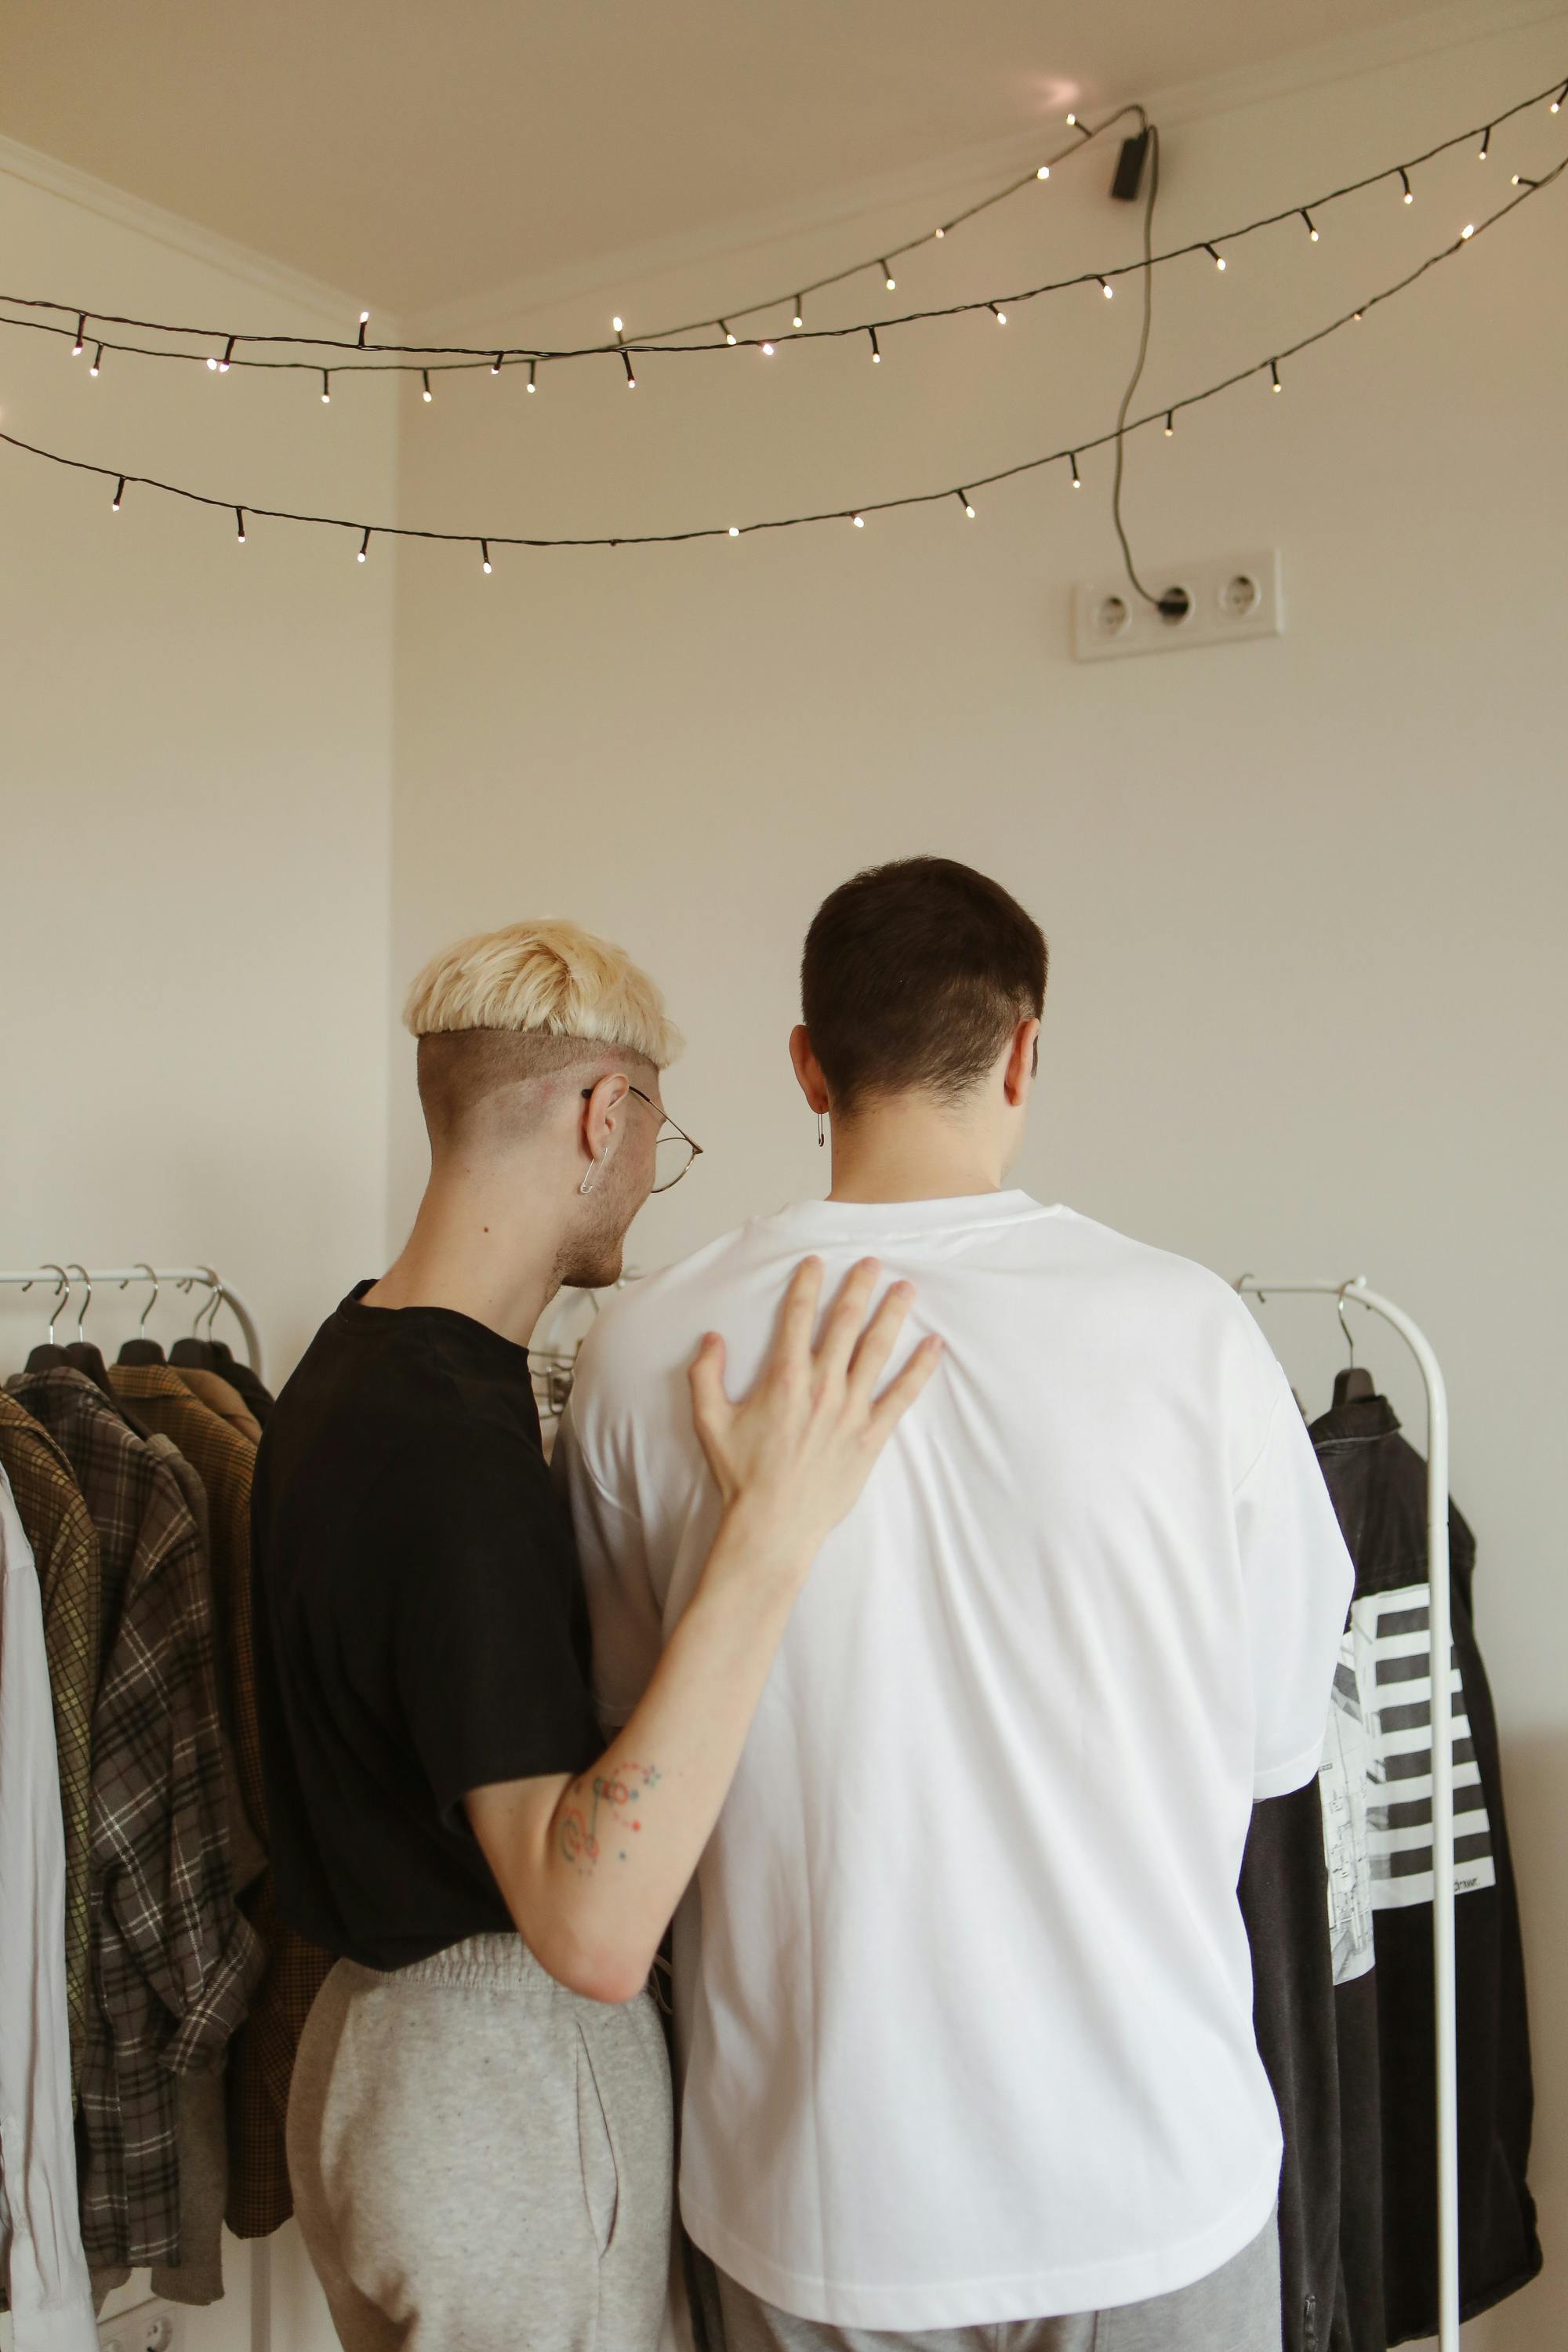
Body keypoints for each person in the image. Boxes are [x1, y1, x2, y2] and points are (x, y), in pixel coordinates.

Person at [555, 858, 1357, 2352]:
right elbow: (1270, 1749)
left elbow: (635, 1752)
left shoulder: (643, 1350)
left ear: (808, 1062)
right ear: (1024, 1050)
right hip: (1151, 2191)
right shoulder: (1195, 1337)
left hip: (815, 2208)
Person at [249, 918, 942, 2352]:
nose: (646, 1180)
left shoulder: (343, 1368)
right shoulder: (455, 1454)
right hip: (495, 2087)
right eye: (656, 1141)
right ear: (601, 1112)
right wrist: (771, 1533)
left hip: (364, 2063)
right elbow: (587, 1927)